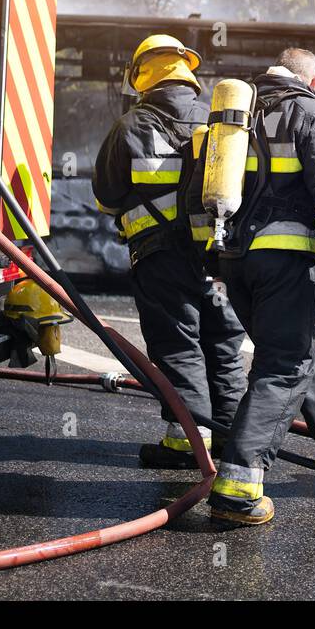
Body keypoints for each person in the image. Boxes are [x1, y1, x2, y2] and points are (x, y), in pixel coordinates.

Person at [196, 47, 315, 526]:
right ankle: (238, 482)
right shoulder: (312, 113)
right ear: (310, 79)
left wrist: (212, 259)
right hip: (285, 261)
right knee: (284, 363)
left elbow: (202, 189)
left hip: (235, 263)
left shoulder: (233, 114)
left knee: (291, 350)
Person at [92, 34, 246, 468]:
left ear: (141, 75)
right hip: (219, 258)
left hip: (161, 258)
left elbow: (106, 196)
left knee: (179, 346)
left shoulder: (131, 126)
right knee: (223, 345)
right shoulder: (221, 123)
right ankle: (233, 441)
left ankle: (186, 444)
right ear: (187, 71)